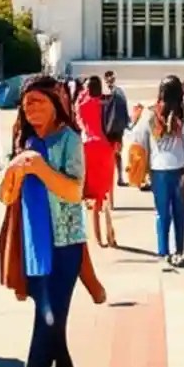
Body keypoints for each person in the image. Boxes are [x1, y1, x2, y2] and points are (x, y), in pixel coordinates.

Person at [7, 75, 88, 367]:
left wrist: (40, 167)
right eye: (27, 104)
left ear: (56, 105)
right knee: (54, 330)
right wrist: (13, 175)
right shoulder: (23, 140)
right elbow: (8, 195)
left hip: (65, 246)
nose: (31, 109)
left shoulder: (69, 140)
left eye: (38, 102)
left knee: (46, 328)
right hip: (34, 247)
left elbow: (74, 192)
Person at [132, 75, 184, 267]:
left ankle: (163, 252)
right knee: (180, 213)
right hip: (181, 168)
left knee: (162, 213)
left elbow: (138, 140)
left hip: (159, 169)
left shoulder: (150, 115)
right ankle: (179, 251)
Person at [76, 76, 116, 248]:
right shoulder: (105, 103)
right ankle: (110, 233)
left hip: (89, 147)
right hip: (106, 147)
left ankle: (98, 237)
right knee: (106, 191)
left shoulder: (83, 103)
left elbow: (78, 117)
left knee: (93, 195)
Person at [103, 70, 129, 187]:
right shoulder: (103, 93)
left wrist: (124, 124)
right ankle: (107, 179)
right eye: (108, 77)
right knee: (106, 156)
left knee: (117, 154)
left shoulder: (119, 92)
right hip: (106, 128)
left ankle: (120, 177)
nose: (110, 79)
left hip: (117, 129)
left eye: (111, 77)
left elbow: (124, 107)